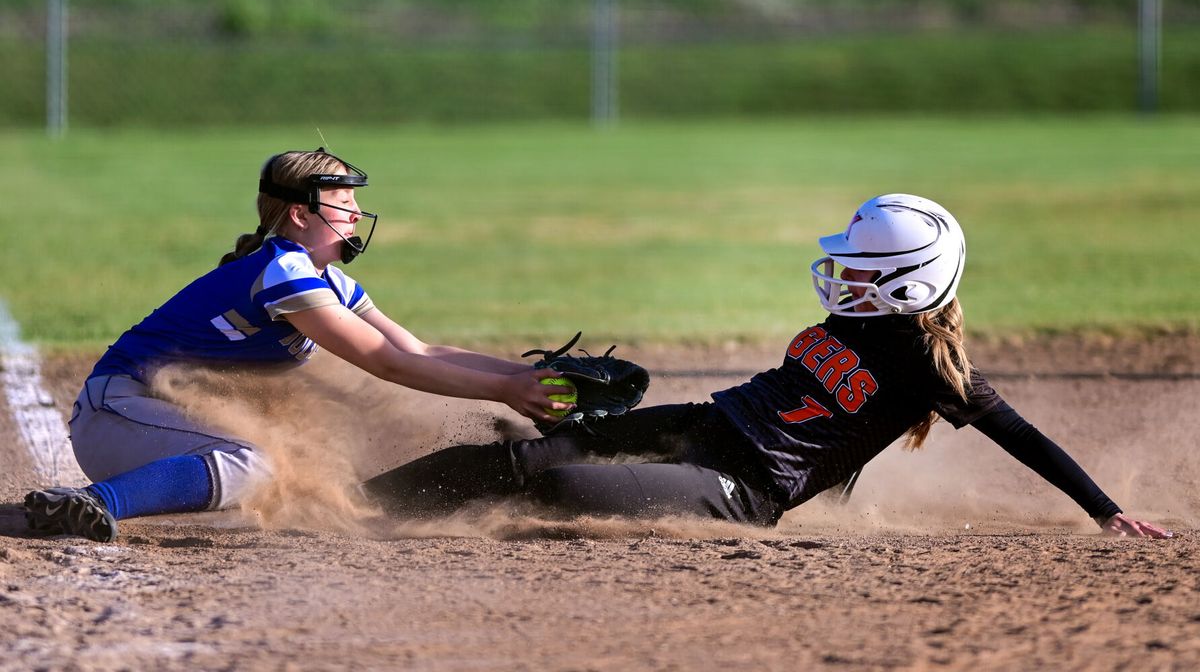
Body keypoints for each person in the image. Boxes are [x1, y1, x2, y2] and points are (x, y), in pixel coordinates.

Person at [364, 193, 1172, 539]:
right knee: (529, 454)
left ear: (912, 283)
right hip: (711, 424)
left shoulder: (935, 369)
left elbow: (1024, 439)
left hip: (742, 490)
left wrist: (1105, 510)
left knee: (559, 487)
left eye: (862, 269)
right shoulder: (852, 313)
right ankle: (354, 506)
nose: (844, 278)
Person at [24, 147, 571, 542]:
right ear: (301, 213)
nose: (356, 212)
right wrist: (504, 390)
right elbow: (386, 362)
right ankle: (93, 503)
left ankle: (89, 503)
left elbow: (420, 351)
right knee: (256, 464)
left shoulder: (328, 280)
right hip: (118, 415)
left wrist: (530, 377)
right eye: (342, 200)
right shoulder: (283, 272)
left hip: (158, 422)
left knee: (277, 476)